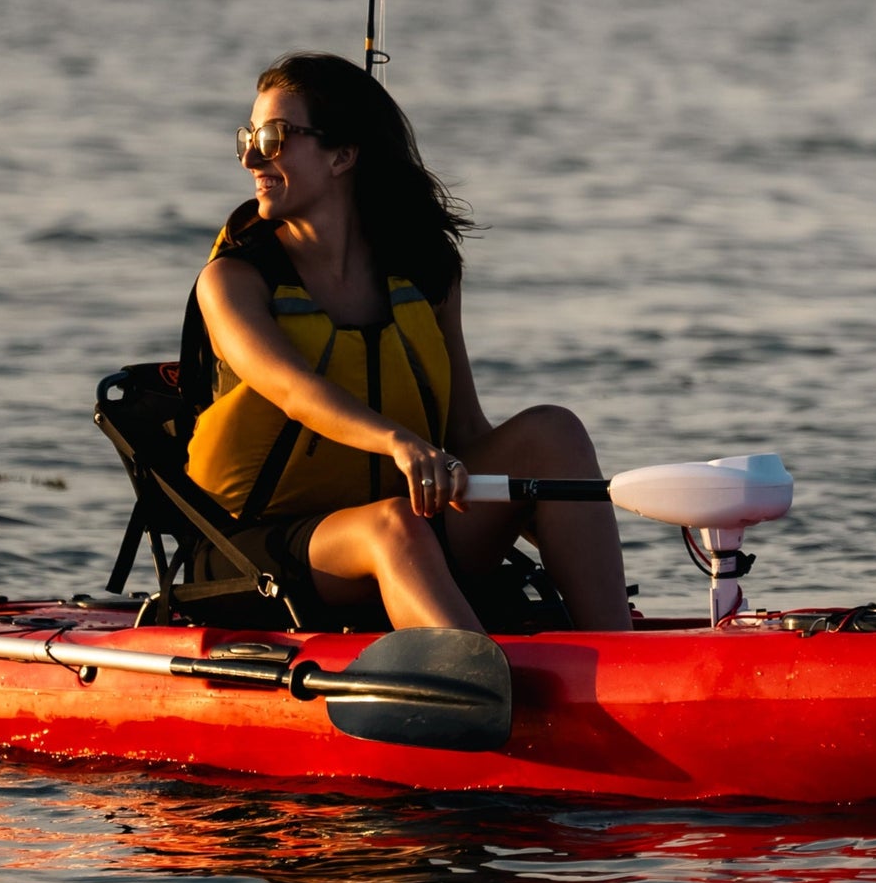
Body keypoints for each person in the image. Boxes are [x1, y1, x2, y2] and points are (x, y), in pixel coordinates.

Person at [180, 52, 630, 633]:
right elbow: (293, 391)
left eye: (274, 137)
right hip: (255, 551)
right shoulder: (234, 279)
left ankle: (623, 667)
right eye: (250, 136)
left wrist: (559, 516)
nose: (250, 156)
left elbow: (465, 432)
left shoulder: (426, 272)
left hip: (415, 533)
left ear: (344, 155)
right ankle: (480, 692)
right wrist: (397, 441)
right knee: (391, 525)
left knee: (554, 432)